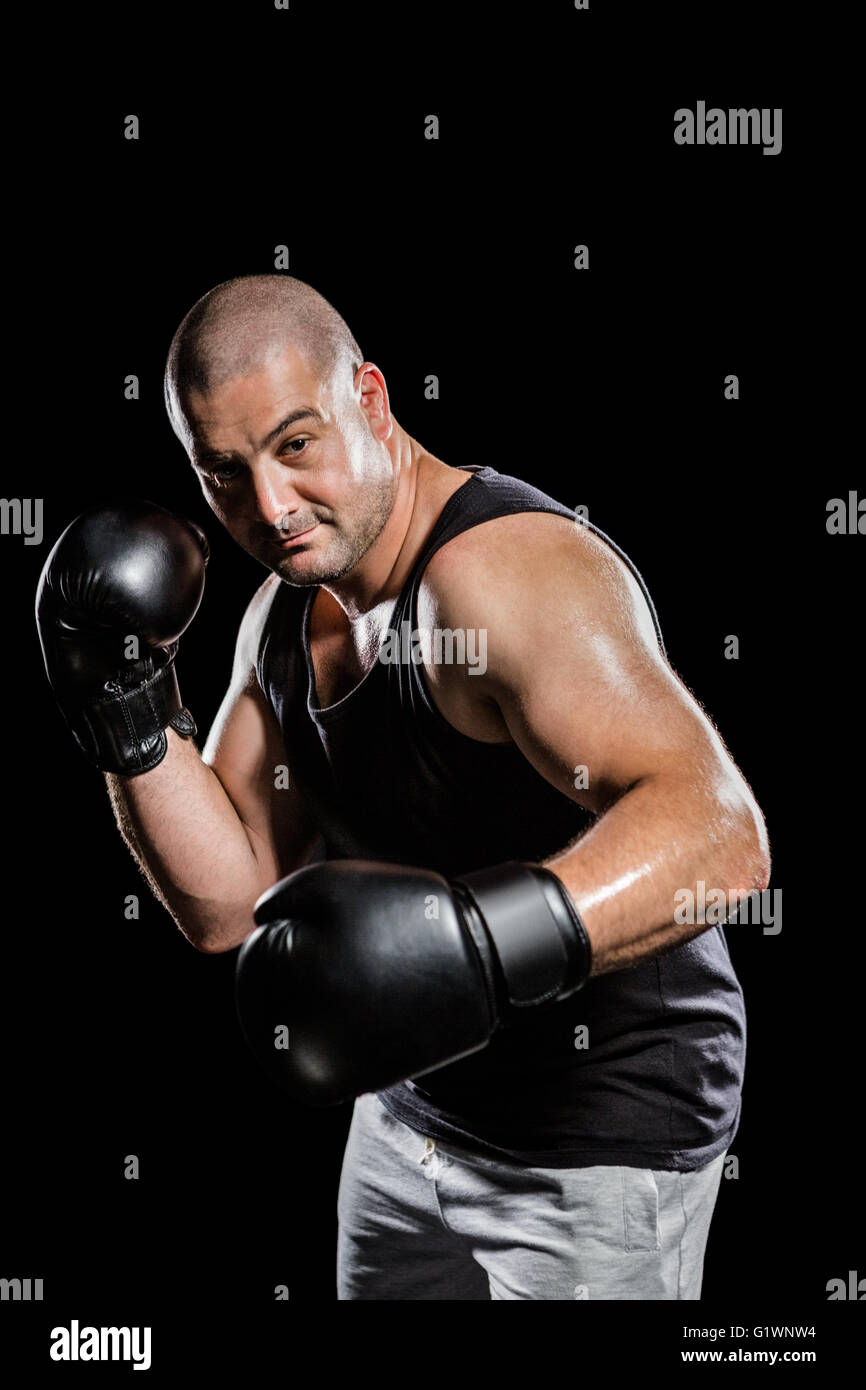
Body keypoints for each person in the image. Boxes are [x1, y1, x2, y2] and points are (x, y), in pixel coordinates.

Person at [36, 274, 770, 1301]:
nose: (270, 507)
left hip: (593, 1142)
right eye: (224, 471)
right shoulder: (282, 619)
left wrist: (478, 940)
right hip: (409, 1124)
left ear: (371, 403)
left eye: (296, 445)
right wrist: (123, 709)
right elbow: (223, 903)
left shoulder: (501, 575)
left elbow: (719, 832)